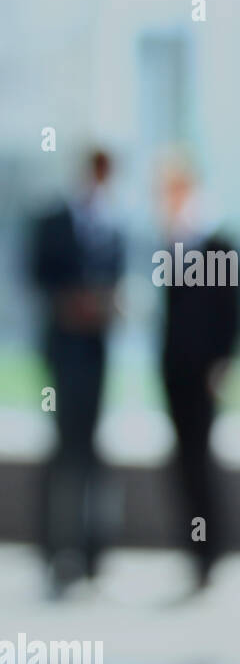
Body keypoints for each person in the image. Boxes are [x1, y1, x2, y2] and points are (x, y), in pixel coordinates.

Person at [30, 149, 125, 598]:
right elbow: (36, 277)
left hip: (95, 352)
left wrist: (107, 306)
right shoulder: (52, 221)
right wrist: (70, 303)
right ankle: (55, 550)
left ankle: (90, 553)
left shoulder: (113, 227)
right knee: (63, 450)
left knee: (89, 450)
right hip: (63, 351)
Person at [154, 152, 240, 591]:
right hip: (175, 369)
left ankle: (208, 549)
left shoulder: (216, 241)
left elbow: (233, 308)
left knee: (200, 459)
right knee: (184, 459)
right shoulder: (172, 241)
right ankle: (194, 549)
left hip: (204, 369)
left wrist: (224, 360)